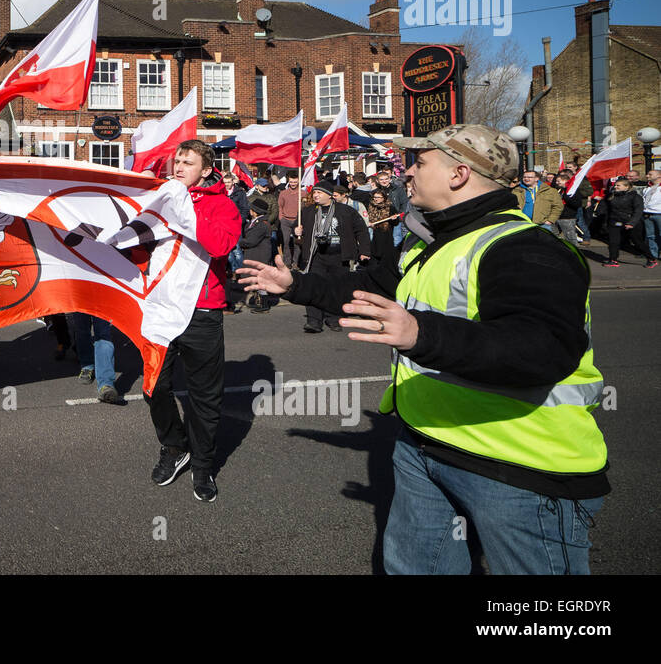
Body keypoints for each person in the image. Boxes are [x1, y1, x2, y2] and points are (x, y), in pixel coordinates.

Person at [238, 123, 608, 574]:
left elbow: (541, 348)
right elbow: (367, 288)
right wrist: (296, 285)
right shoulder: (425, 241)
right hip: (423, 445)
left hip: (520, 468)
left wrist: (420, 334)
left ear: (459, 175)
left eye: (419, 163)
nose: (406, 173)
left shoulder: (525, 248)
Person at [147, 140, 241, 503]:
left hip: (202, 313)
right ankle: (174, 447)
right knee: (154, 386)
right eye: (177, 161)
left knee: (205, 399)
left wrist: (186, 210)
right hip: (161, 309)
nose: (179, 167)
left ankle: (203, 465)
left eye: (188, 163)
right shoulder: (163, 197)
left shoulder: (224, 206)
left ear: (206, 170)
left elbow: (219, 246)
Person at [294, 179, 370, 333]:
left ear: (329, 195)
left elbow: (361, 230)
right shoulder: (308, 212)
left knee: (336, 288)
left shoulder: (345, 211)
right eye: (314, 192)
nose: (315, 195)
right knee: (314, 287)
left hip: (339, 255)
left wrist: (364, 251)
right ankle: (314, 321)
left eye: (319, 192)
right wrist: (296, 233)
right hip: (316, 256)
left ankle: (333, 318)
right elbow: (298, 233)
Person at [67, 316, 122, 403]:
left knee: (103, 332)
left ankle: (106, 383)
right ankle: (87, 365)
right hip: (81, 302)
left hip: (102, 302)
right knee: (81, 329)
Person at [239, 198, 273, 313]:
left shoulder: (262, 224)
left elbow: (251, 241)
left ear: (256, 211)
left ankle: (264, 304)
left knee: (261, 281)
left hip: (260, 256)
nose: (250, 210)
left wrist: (238, 241)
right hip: (254, 254)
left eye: (252, 209)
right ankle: (260, 301)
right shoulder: (254, 222)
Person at [602, 175, 644, 267]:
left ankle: (651, 258)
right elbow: (608, 209)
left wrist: (631, 223)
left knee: (637, 241)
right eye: (615, 185)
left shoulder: (635, 197)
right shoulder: (612, 195)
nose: (615, 187)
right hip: (615, 221)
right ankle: (613, 259)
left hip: (629, 221)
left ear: (626, 187)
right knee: (613, 242)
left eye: (618, 186)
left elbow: (638, 211)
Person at [364, 188, 399, 272]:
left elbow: (396, 223)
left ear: (384, 198)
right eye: (375, 197)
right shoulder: (370, 206)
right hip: (374, 235)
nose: (376, 199)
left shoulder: (390, 208)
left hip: (386, 236)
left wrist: (394, 219)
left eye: (378, 197)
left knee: (385, 256)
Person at [277, 177, 300, 267]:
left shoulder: (302, 193)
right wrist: (281, 218)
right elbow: (280, 206)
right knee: (285, 242)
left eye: (295, 182)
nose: (293, 183)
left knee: (297, 243)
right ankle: (287, 262)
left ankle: (295, 262)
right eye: (291, 182)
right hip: (285, 220)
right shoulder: (283, 193)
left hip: (297, 220)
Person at [642, 169, 661, 269]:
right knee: (651, 236)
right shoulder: (648, 188)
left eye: (650, 174)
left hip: (659, 214)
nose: (647, 175)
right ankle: (653, 257)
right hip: (648, 214)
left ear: (658, 176)